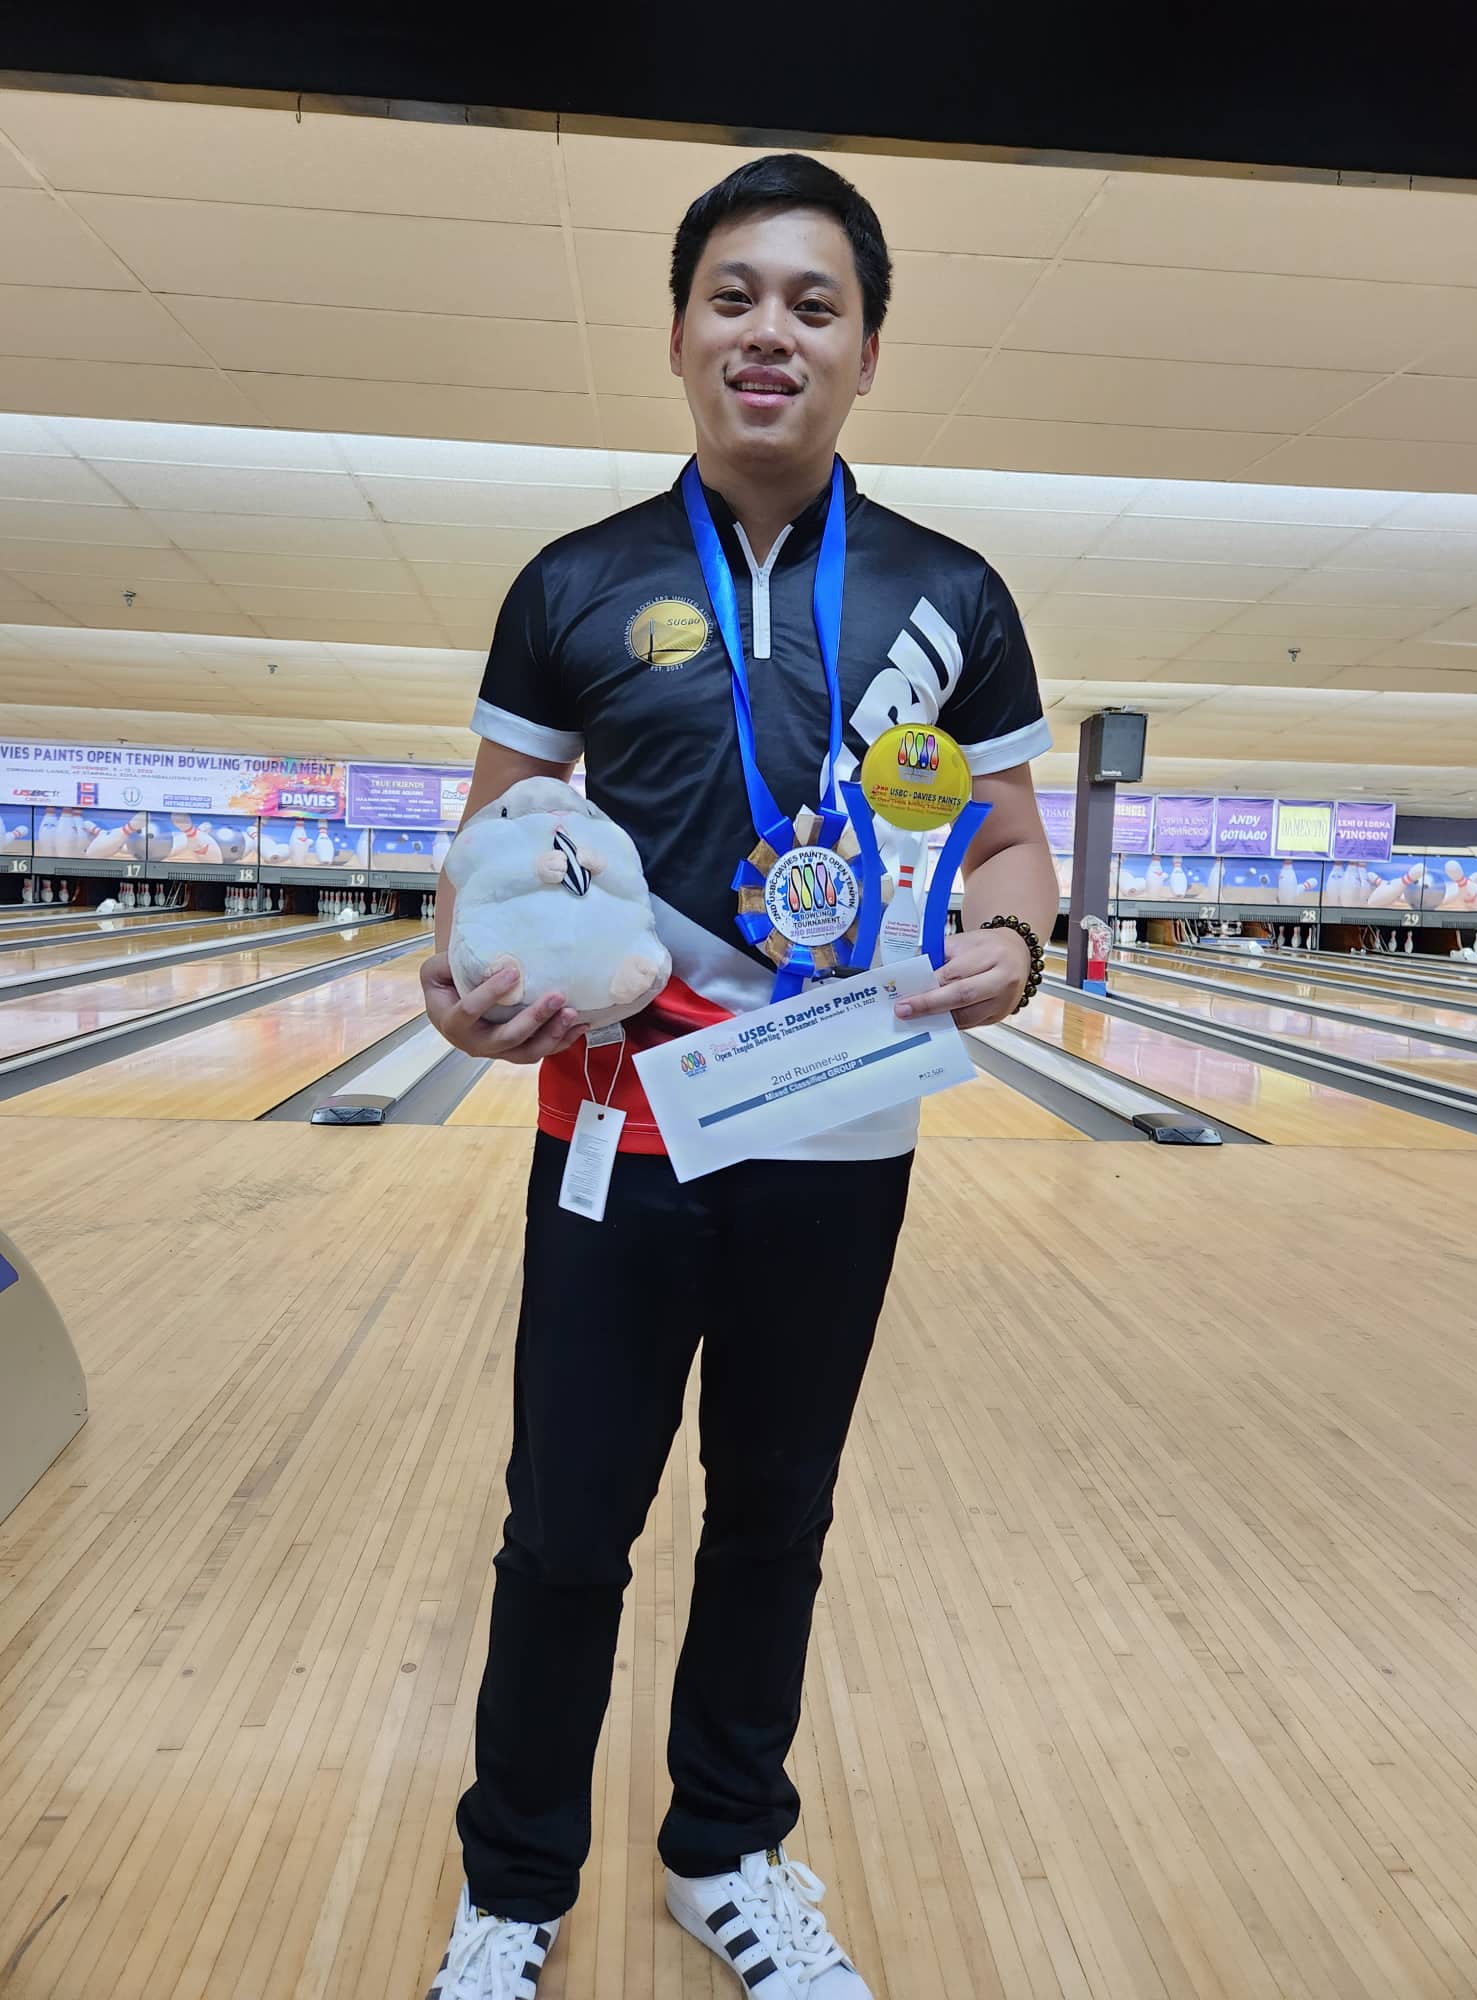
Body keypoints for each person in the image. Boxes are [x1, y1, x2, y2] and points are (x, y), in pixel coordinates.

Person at [420, 152, 1057, 2000]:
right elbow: (484, 859)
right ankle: (515, 1888)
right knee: (567, 1523)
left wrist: (1009, 952)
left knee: (776, 1510)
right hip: (616, 1125)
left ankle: (728, 1854)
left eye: (812, 302)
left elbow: (1014, 848)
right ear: (682, 328)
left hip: (839, 1119)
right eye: (734, 296)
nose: (769, 331)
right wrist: (458, 994)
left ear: (864, 348)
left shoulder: (950, 594)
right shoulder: (578, 582)